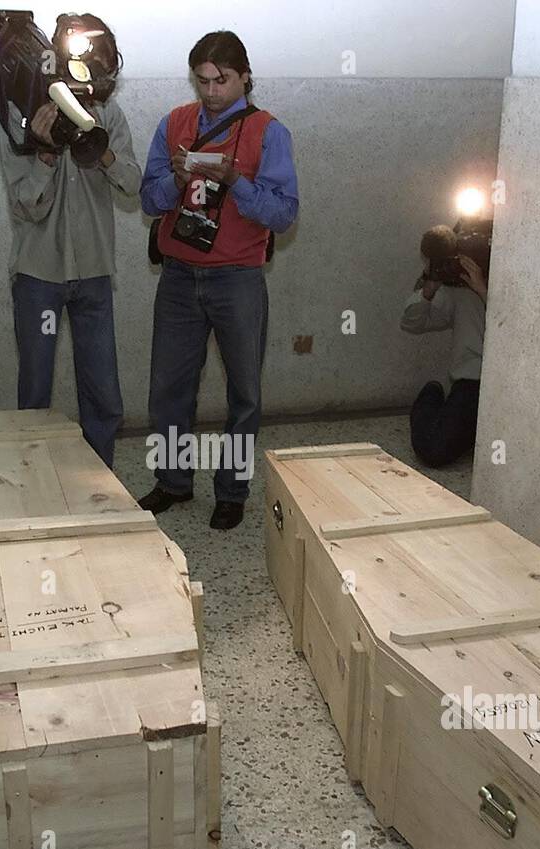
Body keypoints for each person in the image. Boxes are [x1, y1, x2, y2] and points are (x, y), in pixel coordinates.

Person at [137, 30, 298, 530]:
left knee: (244, 393)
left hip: (238, 279)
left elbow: (284, 213)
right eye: (201, 80)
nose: (210, 92)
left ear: (245, 76)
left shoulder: (269, 132)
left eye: (221, 80)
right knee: (169, 389)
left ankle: (231, 491)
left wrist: (235, 181)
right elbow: (147, 200)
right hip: (180, 278)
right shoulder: (174, 124)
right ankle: (172, 482)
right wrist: (176, 180)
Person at [0, 13, 140, 468]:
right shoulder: (18, 113)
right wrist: (43, 151)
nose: (89, 66)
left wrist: (101, 151)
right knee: (35, 390)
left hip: (95, 272)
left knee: (103, 391)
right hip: (39, 273)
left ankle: (100, 481)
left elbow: (133, 184)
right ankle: (35, 482)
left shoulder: (109, 116)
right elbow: (26, 206)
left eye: (98, 58)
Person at [400, 224, 488, 467]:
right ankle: (433, 397)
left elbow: (520, 331)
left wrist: (484, 291)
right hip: (473, 385)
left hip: (515, 390)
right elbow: (412, 323)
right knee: (434, 451)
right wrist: (428, 290)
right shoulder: (461, 290)